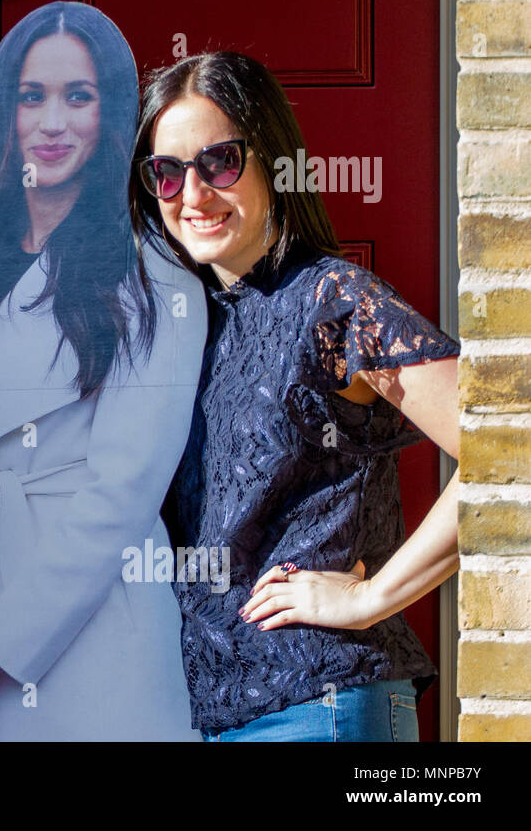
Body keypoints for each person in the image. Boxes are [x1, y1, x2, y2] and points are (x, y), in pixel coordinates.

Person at [0, 2, 206, 741]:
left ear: (113, 115)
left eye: (79, 96)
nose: (53, 121)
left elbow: (120, 498)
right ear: (6, 110)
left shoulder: (159, 278)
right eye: (33, 96)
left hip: (100, 630)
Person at [129, 51, 460, 741]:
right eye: (166, 173)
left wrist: (373, 597)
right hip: (207, 716)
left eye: (220, 162)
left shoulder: (334, 303)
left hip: (320, 707)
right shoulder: (179, 326)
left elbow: (507, 449)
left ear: (273, 159)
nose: (193, 195)